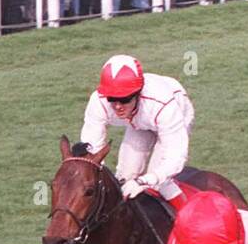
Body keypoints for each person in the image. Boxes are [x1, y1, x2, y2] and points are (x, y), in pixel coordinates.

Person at [82, 54, 195, 207]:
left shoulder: (163, 105)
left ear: (138, 93)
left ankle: (187, 220)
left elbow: (175, 157)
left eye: (125, 99)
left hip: (174, 112)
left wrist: (146, 180)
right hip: (140, 122)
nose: (118, 106)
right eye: (112, 99)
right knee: (124, 177)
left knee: (160, 183)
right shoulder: (98, 101)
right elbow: (92, 148)